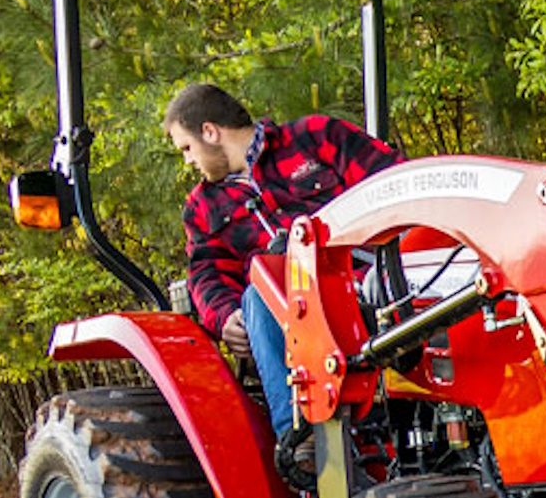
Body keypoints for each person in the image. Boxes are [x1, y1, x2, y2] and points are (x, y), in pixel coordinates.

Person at [163, 83, 402, 440]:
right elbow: (208, 276)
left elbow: (393, 185)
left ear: (210, 132)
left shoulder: (316, 138)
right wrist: (226, 318)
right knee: (260, 291)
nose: (188, 160)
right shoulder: (202, 208)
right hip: (288, 317)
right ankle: (299, 437)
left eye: (187, 147)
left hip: (369, 285)